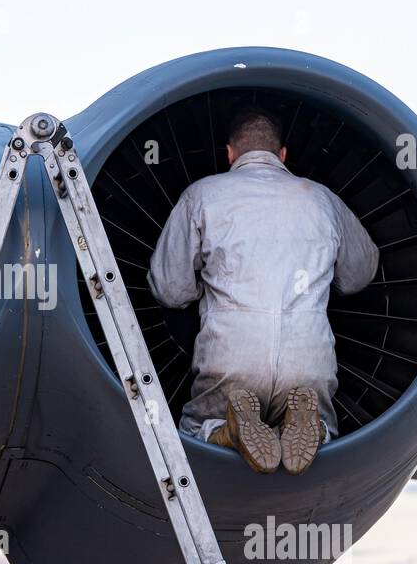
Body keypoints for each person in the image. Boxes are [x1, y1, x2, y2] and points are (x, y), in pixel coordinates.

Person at [147, 106, 379, 475]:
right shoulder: (324, 200)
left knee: (193, 429)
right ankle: (309, 426)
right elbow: (360, 275)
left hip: (231, 359)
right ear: (282, 155)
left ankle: (226, 431)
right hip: (309, 363)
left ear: (230, 153)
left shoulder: (202, 196)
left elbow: (170, 290)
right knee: (323, 426)